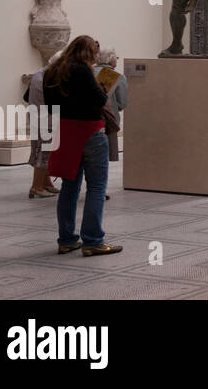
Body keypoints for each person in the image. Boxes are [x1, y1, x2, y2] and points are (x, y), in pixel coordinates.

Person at [43, 35, 122, 257]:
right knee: (96, 187)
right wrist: (101, 87)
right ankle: (93, 240)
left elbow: (50, 105)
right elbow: (99, 100)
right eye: (94, 53)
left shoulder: (54, 71)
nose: (96, 57)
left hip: (66, 131)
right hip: (90, 131)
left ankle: (67, 239)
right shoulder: (82, 70)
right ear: (88, 53)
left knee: (69, 187)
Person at [24, 50, 62, 199]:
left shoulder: (39, 72)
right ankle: (36, 186)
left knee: (42, 151)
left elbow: (26, 96)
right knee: (44, 153)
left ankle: (46, 183)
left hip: (35, 117)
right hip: (47, 120)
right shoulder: (51, 77)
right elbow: (55, 101)